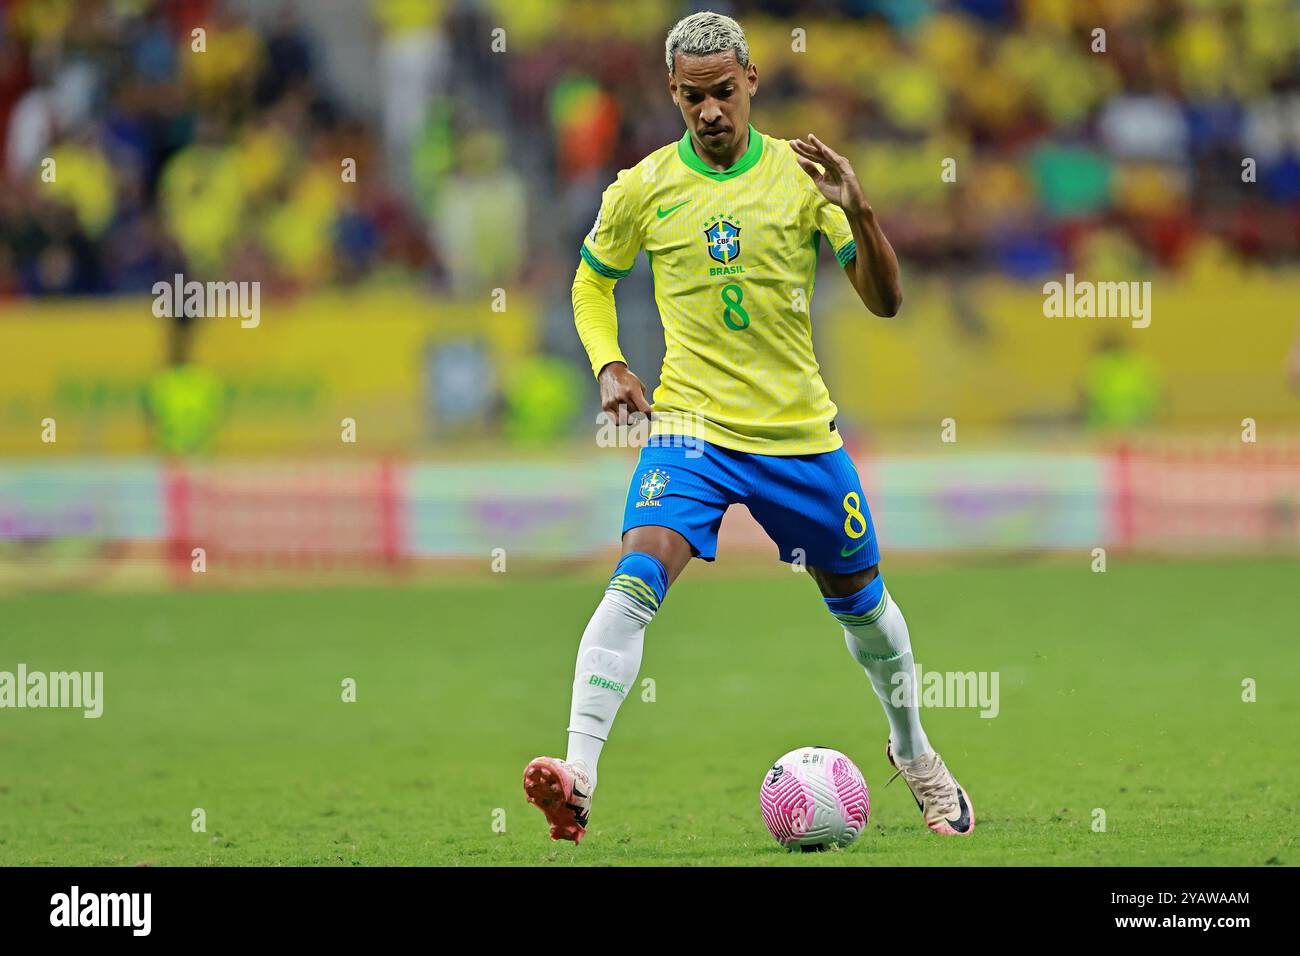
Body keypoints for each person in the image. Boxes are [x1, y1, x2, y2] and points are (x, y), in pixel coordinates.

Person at [524, 12, 973, 843]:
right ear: (673, 94)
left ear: (752, 81)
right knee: (636, 574)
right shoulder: (641, 188)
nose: (710, 112)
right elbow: (590, 285)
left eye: (723, 92)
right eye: (692, 98)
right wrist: (609, 363)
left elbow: (887, 301)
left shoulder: (806, 177)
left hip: (799, 433)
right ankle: (577, 772)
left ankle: (916, 755)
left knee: (865, 609)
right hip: (689, 428)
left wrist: (862, 212)